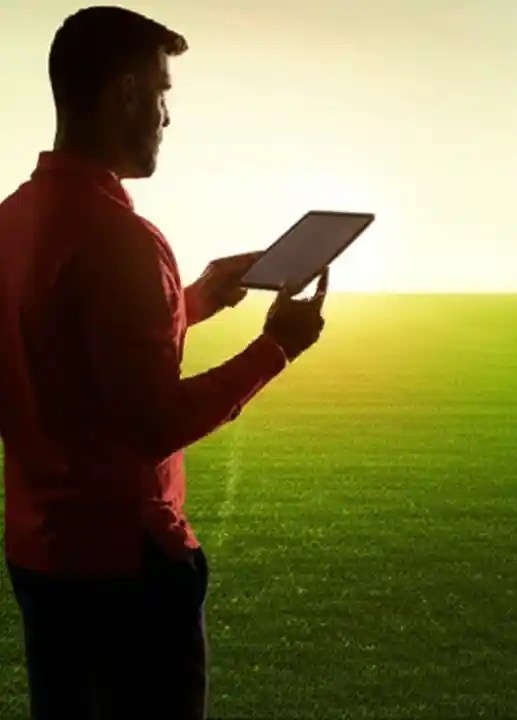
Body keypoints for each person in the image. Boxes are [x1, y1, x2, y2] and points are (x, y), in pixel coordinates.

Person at [0, 7, 327, 719]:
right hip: (127, 564)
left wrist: (198, 297)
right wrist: (276, 349)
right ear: (123, 94)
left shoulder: (11, 222)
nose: (166, 118)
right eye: (160, 93)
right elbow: (153, 420)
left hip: (38, 554)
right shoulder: (123, 240)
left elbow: (71, 345)